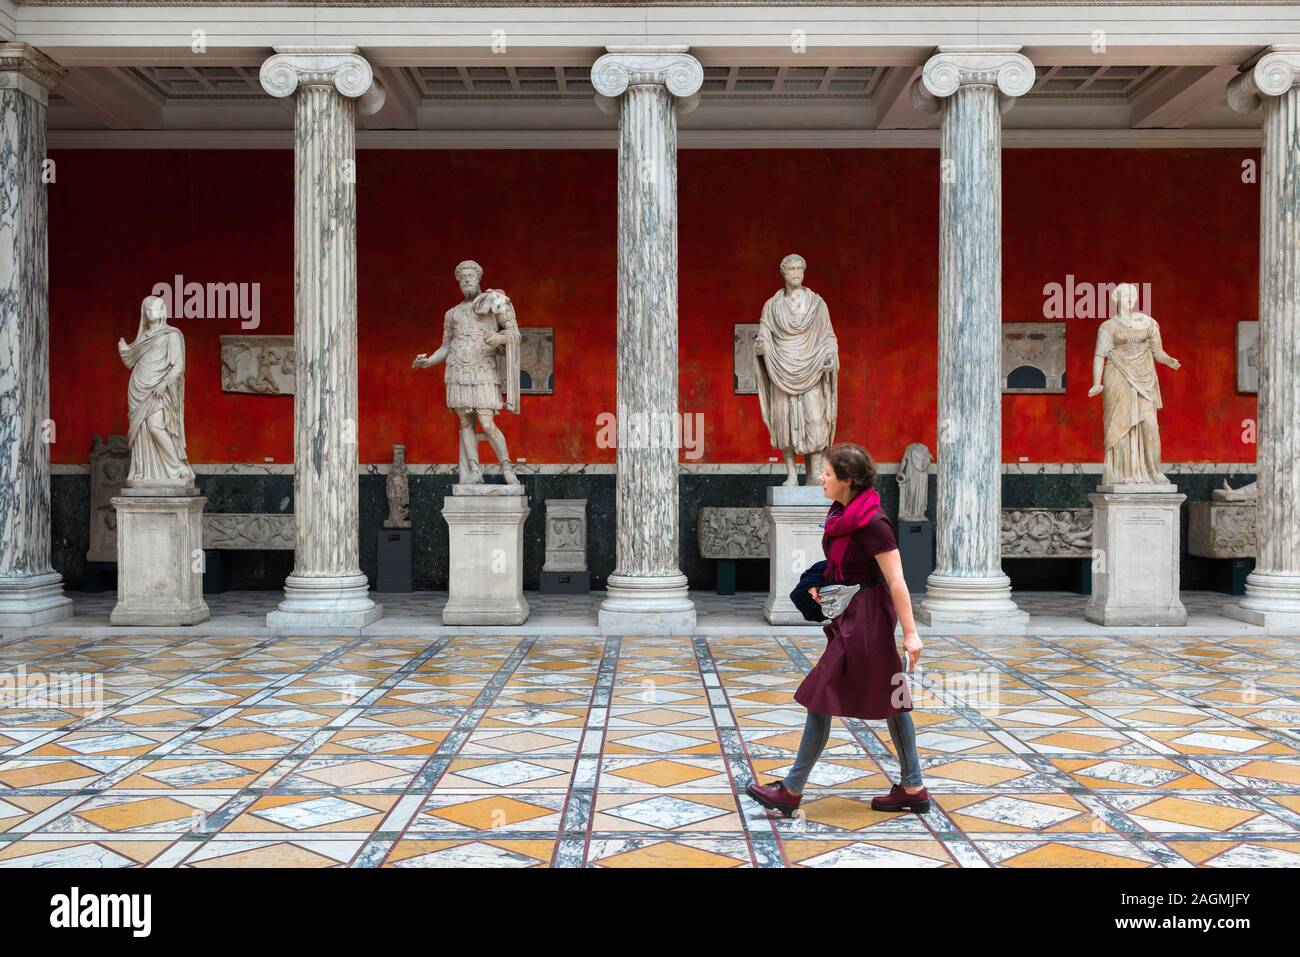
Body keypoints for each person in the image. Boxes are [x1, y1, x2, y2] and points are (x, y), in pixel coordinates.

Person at [747, 442, 930, 816]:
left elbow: (896, 581)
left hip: (868, 621)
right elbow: (842, 561)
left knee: (822, 694)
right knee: (892, 701)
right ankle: (913, 786)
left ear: (847, 480)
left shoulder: (874, 523)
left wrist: (911, 633)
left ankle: (792, 791)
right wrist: (821, 581)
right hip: (855, 615)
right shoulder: (841, 513)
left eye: (828, 474)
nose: (821, 478)